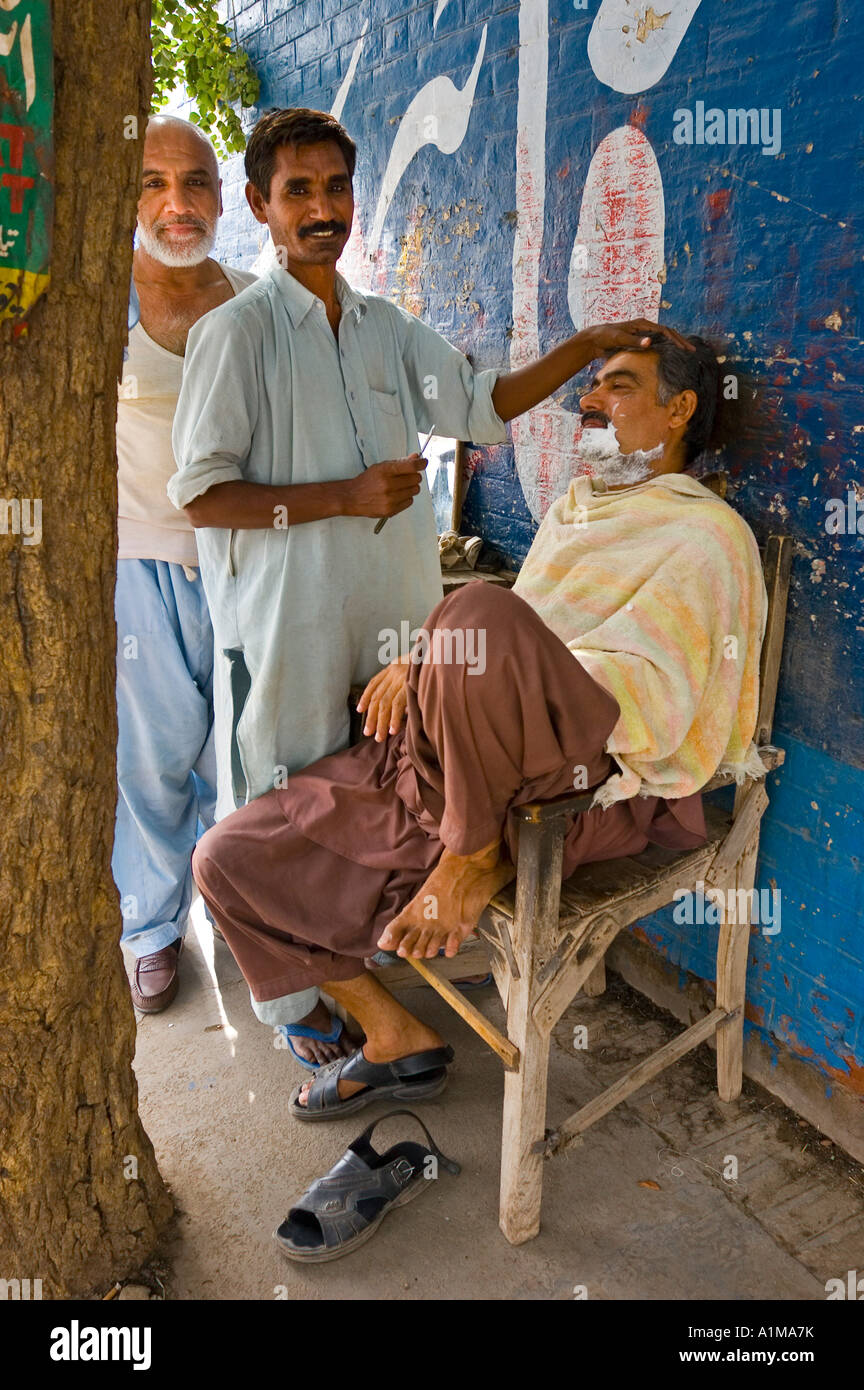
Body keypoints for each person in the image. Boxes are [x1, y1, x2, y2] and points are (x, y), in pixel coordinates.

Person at [168, 107, 696, 1067]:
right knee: (280, 814)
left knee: (379, 805)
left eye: (335, 187)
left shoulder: (383, 328)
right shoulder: (235, 335)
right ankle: (309, 1018)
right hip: (291, 629)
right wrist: (346, 495)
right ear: (261, 205)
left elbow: (480, 405)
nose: (322, 208)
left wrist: (584, 348)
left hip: (394, 625)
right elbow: (203, 497)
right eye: (299, 191)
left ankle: (393, 980)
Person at [189, 328, 768, 1115]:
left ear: (681, 410)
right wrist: (424, 661)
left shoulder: (710, 536)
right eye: (591, 387)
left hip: (583, 782)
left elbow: (663, 699)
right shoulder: (577, 509)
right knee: (224, 859)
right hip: (455, 761)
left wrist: (455, 644)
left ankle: (468, 859)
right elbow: (519, 633)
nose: (589, 402)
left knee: (473, 608)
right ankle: (394, 1033)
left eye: (619, 386)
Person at [115, 115, 256, 1013]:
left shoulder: (249, 301)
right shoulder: (99, 301)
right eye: (154, 182)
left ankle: (239, 911)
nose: (177, 202)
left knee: (241, 757)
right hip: (137, 559)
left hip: (241, 560)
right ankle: (151, 929)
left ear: (220, 194)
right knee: (153, 756)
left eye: (195, 180)